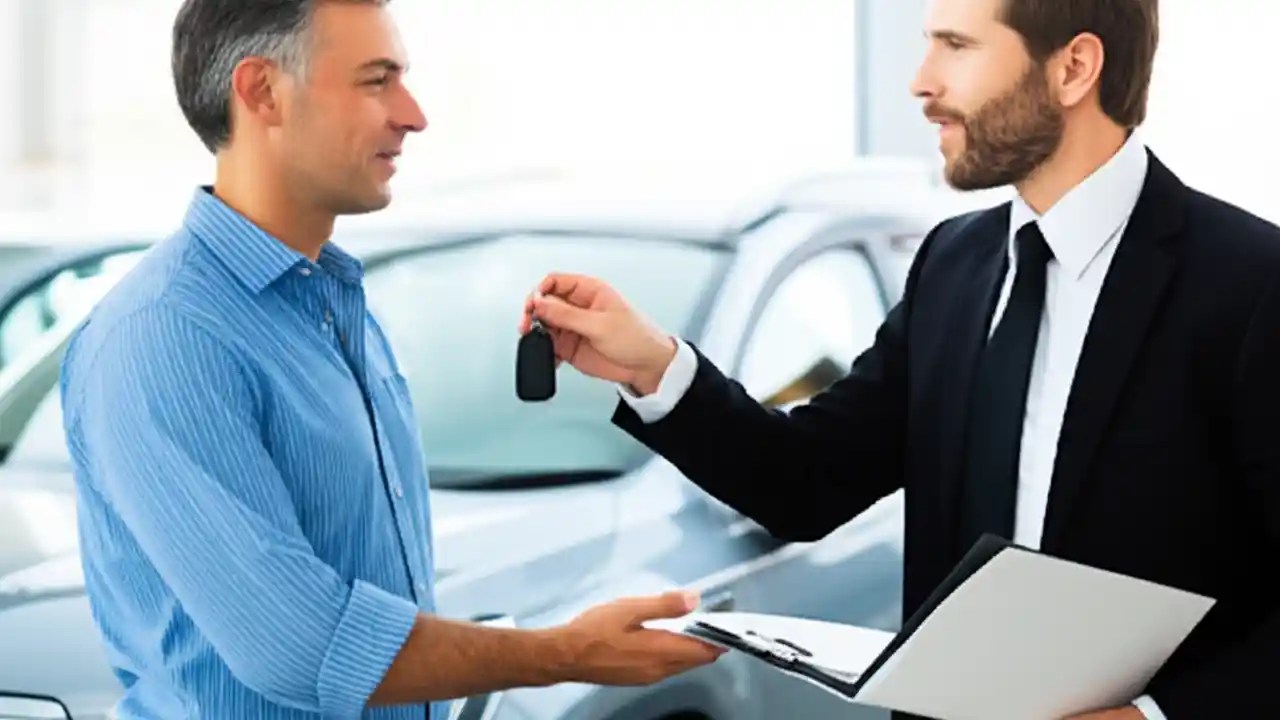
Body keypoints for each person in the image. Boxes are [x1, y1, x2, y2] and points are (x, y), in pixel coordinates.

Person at [522, 0, 1280, 718]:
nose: (921, 80)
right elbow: (807, 484)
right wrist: (652, 367)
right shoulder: (953, 264)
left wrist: (1155, 715)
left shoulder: (1251, 286)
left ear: (1074, 67)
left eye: (956, 45)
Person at [58, 1, 722, 718]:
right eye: (377, 81)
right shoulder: (166, 337)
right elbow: (304, 650)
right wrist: (562, 652)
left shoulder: (335, 305)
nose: (413, 115)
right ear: (262, 92)